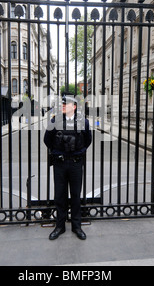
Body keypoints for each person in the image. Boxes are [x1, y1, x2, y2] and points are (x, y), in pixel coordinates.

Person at [43, 92, 92, 240]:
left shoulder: (83, 122)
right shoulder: (54, 121)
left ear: (74, 107)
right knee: (60, 195)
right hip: (60, 163)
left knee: (76, 196)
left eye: (66, 104)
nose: (63, 106)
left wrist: (78, 151)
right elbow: (47, 140)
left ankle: (77, 226)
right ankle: (60, 226)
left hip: (76, 163)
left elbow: (88, 140)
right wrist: (58, 151)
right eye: (62, 104)